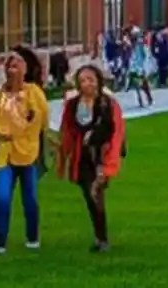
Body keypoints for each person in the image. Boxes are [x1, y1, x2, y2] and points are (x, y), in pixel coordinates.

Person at [0, 46, 50, 255]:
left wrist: (24, 124)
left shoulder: (34, 93)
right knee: (3, 197)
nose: (13, 69)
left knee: (30, 199)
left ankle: (32, 238)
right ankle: (0, 242)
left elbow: (41, 120)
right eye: (10, 65)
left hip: (27, 154)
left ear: (26, 69)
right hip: (4, 155)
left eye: (18, 65)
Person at [56, 64, 126, 252]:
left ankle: (102, 239)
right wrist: (62, 154)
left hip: (101, 157)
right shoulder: (72, 105)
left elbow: (116, 133)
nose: (87, 84)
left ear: (98, 81)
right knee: (89, 196)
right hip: (82, 158)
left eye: (91, 80)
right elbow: (68, 131)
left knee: (95, 193)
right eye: (83, 80)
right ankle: (99, 237)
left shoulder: (108, 104)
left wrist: (109, 163)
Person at [128, 32, 154, 108]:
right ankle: (140, 100)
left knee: (144, 84)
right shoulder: (131, 47)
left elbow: (145, 56)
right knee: (136, 85)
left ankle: (149, 98)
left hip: (141, 68)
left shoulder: (140, 46)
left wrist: (145, 67)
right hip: (134, 69)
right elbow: (131, 58)